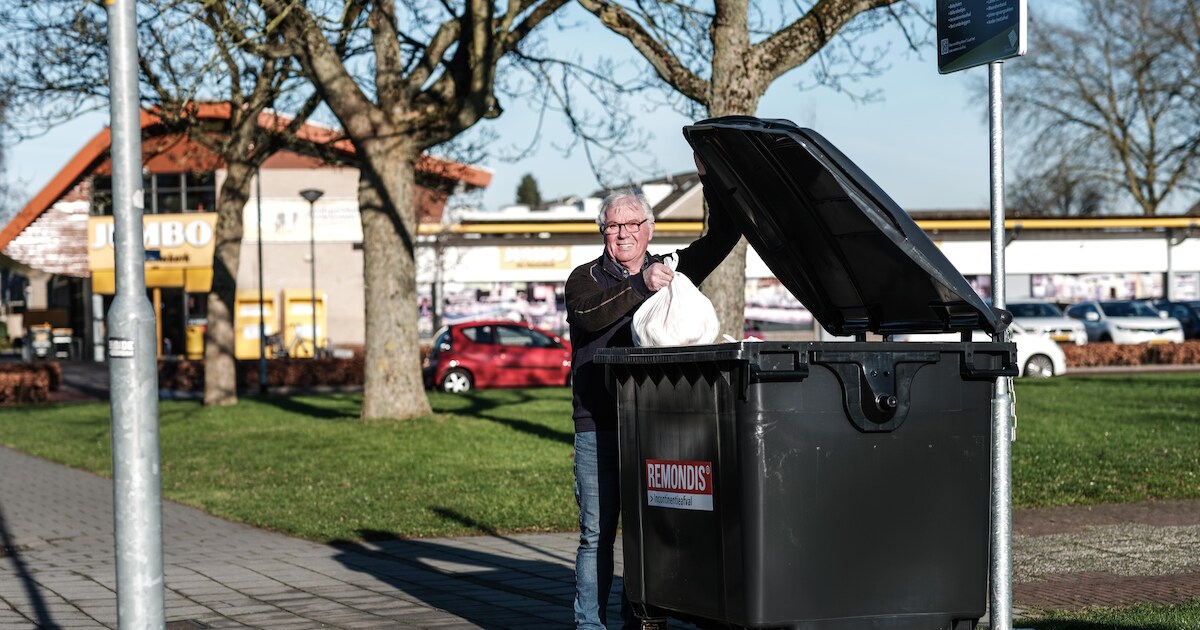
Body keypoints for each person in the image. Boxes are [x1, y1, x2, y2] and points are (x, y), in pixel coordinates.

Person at [564, 165, 739, 629]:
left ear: (650, 228)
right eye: (613, 226)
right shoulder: (584, 279)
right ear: (603, 232)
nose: (623, 233)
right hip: (599, 426)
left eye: (632, 224)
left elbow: (723, 237)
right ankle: (589, 625)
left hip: (657, 429)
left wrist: (712, 179)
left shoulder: (671, 268)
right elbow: (590, 316)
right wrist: (642, 285)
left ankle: (639, 619)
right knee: (597, 534)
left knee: (651, 534)